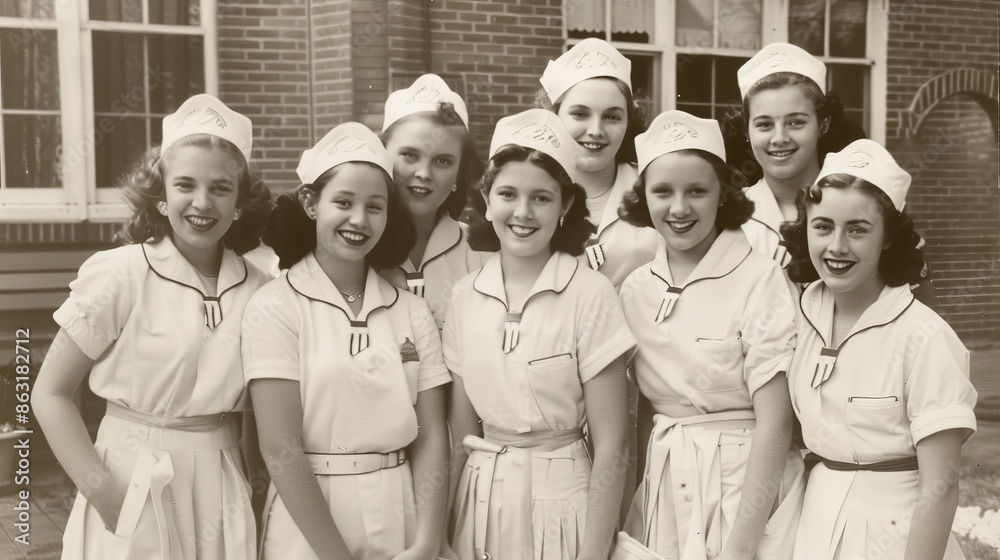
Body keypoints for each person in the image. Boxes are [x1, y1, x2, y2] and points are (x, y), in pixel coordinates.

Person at [32, 93, 272, 559]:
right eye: (185, 185)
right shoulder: (122, 274)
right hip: (131, 474)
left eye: (221, 188)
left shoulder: (261, 286)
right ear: (161, 197)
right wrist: (104, 493)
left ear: (240, 203)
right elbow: (50, 393)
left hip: (221, 482)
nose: (202, 202)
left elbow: (256, 417)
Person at [242, 122, 450, 559]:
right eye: (343, 202)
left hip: (401, 509)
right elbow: (280, 448)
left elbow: (431, 435)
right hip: (311, 521)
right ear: (310, 203)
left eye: (375, 207)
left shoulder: (409, 309)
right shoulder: (276, 305)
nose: (360, 220)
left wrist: (429, 540)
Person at [614, 110, 803, 559]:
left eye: (697, 191)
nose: (679, 209)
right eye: (663, 191)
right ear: (644, 198)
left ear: (723, 195)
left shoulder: (760, 278)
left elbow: (776, 422)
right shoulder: (636, 288)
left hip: (742, 481)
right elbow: (640, 412)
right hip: (665, 477)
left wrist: (741, 545)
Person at [446, 109, 635, 559]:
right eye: (508, 194)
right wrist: (443, 533)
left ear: (566, 205)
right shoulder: (464, 295)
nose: (523, 213)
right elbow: (460, 432)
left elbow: (612, 446)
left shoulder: (590, 292)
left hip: (563, 502)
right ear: (487, 199)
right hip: (480, 499)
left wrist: (593, 553)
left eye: (542, 198)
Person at [780, 139, 977, 560]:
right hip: (813, 524)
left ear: (888, 237)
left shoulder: (925, 337)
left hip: (897, 535)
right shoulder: (797, 318)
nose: (836, 246)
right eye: (823, 226)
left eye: (858, 229)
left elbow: (940, 488)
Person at [536, 38, 661, 290]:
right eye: (580, 114)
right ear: (554, 116)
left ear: (628, 123)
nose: (596, 130)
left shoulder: (656, 189)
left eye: (612, 117)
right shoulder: (528, 190)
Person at [378, 74, 490, 329]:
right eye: (409, 155)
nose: (424, 174)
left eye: (442, 161)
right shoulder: (354, 249)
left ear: (459, 175)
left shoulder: (483, 256)